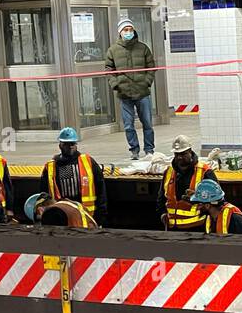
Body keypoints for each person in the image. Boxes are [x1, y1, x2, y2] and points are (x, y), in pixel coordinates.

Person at [104, 18, 156, 159]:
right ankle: (134, 150)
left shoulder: (143, 48)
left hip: (143, 92)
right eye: (125, 30)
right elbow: (109, 69)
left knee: (147, 124)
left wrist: (146, 82)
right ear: (120, 32)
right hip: (124, 94)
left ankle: (149, 150)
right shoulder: (113, 50)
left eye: (130, 29)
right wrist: (116, 84)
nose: (128, 32)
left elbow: (152, 67)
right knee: (128, 126)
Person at [42, 127, 107, 226]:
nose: (70, 147)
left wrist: (101, 216)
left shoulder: (88, 161)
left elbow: (101, 188)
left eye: (72, 144)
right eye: (66, 144)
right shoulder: (51, 166)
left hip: (87, 215)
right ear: (60, 145)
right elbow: (43, 193)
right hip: (61, 216)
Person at [158, 134, 217, 230]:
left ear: (190, 151)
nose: (179, 157)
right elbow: (161, 198)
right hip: (173, 229)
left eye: (183, 154)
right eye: (177, 154)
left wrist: (198, 198)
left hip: (197, 229)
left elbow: (218, 200)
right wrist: (162, 214)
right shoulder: (169, 172)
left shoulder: (204, 171)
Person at [24, 191, 96, 228]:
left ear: (40, 210)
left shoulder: (52, 212)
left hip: (81, 245)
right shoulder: (72, 204)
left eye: (39, 218)